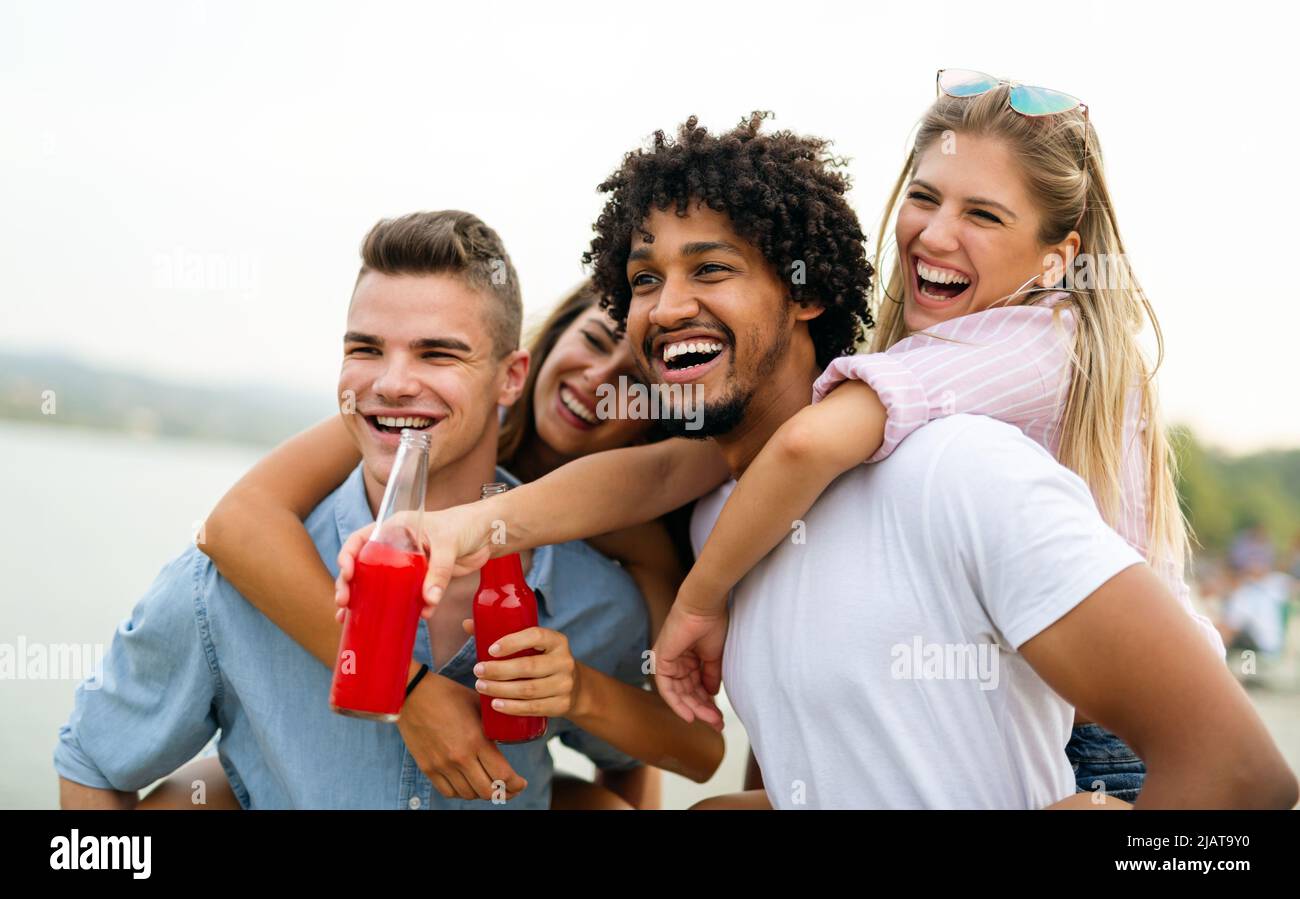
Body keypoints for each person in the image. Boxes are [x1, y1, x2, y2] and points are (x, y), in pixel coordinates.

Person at [349, 113, 1297, 809]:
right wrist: (451, 528)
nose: (665, 304)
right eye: (644, 279)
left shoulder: (957, 469)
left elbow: (1246, 786)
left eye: (710, 269)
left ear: (804, 292)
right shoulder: (728, 513)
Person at [54, 210, 721, 809]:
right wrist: (406, 689)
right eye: (365, 348)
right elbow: (93, 755)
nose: (394, 381)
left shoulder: (603, 587)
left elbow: (656, 755)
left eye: (438, 352)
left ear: (507, 376)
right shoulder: (230, 585)